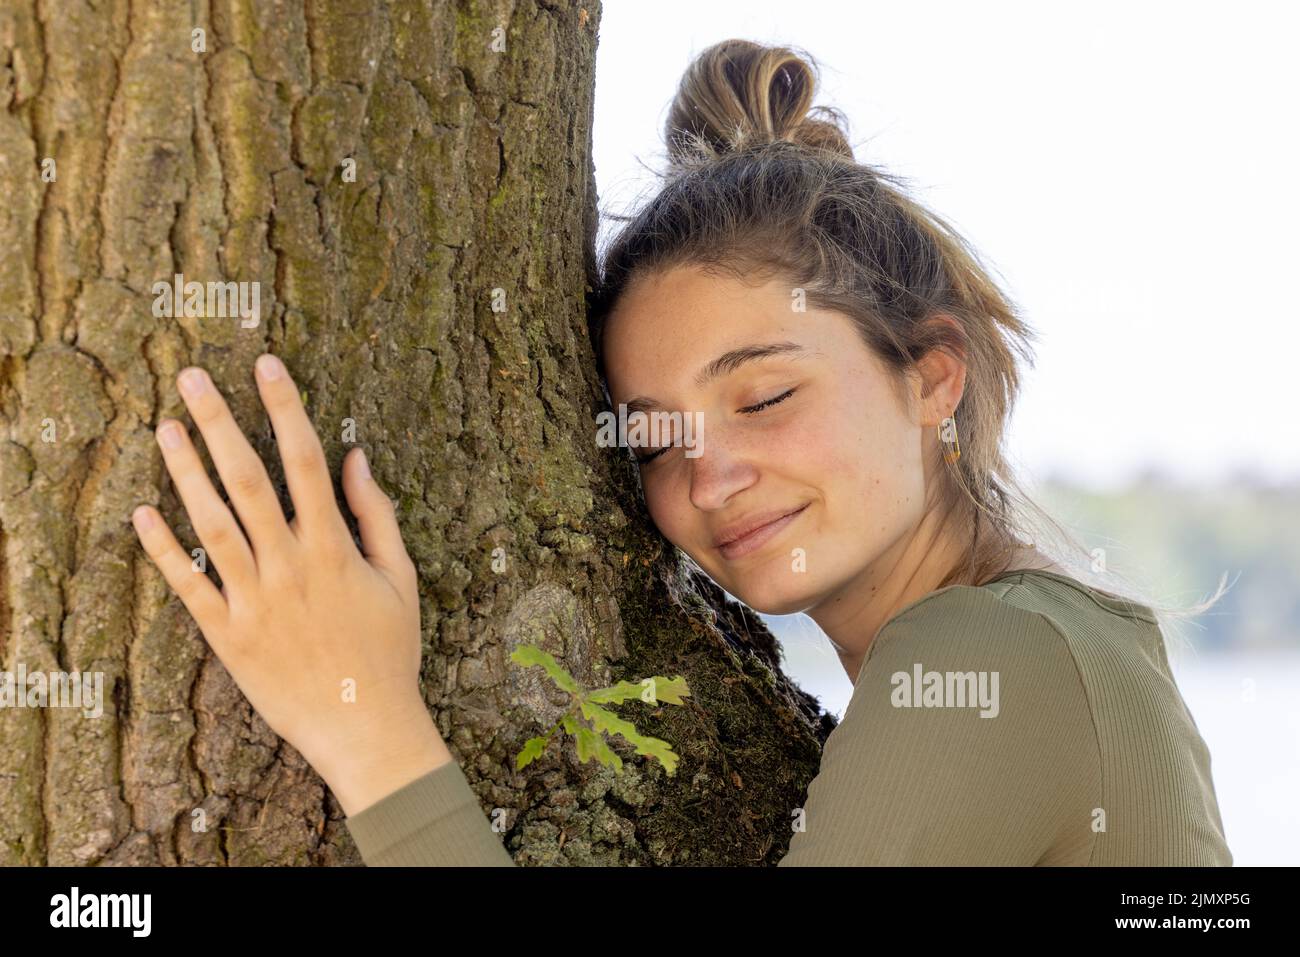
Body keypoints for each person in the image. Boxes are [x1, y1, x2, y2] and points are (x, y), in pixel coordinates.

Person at [131, 39, 1232, 866]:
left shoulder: (994, 661)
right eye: (654, 441)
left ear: (932, 376)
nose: (710, 478)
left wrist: (364, 725)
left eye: (763, 396)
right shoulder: (1047, 641)